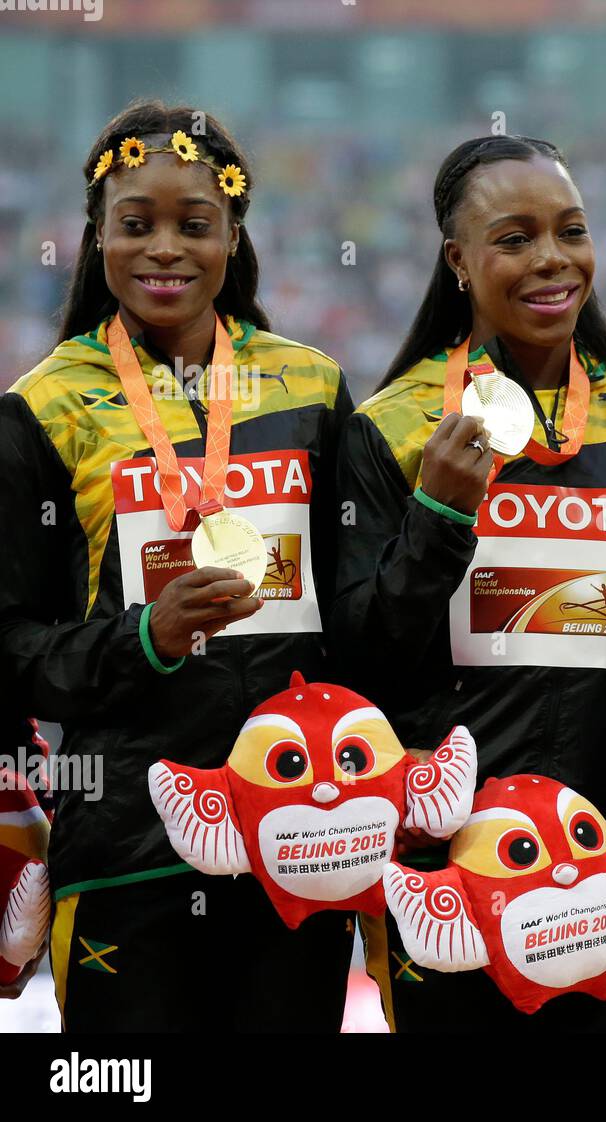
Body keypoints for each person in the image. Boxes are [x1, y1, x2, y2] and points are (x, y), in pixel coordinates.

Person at [0, 101, 355, 1030]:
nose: (165, 248)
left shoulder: (311, 386)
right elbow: (12, 648)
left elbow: (357, 619)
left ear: (233, 235)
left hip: (302, 838)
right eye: (136, 224)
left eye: (194, 225)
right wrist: (144, 637)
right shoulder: (44, 407)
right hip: (127, 850)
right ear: (97, 236)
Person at [332, 135, 606, 1032]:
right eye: (515, 238)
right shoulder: (393, 427)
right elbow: (359, 659)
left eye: (570, 231)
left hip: (598, 866)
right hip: (449, 876)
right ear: (457, 260)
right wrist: (441, 519)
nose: (552, 260)